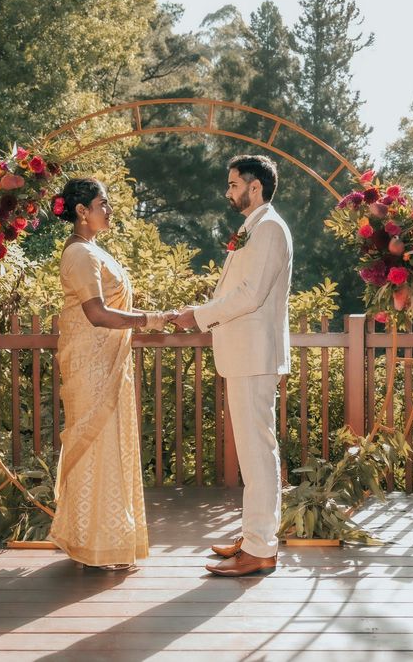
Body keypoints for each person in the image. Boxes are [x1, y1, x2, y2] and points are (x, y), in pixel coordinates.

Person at [172, 155, 292, 577]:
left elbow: (251, 294)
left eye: (233, 184)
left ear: (254, 186)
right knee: (254, 452)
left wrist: (199, 315)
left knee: (259, 453)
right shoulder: (255, 227)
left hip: (254, 355)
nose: (228, 192)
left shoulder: (270, 229)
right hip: (246, 354)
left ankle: (261, 548)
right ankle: (256, 535)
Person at [48, 177, 173, 571]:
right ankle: (92, 541)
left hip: (106, 359)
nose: (110, 209)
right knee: (95, 442)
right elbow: (96, 313)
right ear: (81, 211)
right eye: (103, 203)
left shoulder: (92, 250)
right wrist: (151, 319)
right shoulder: (81, 254)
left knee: (109, 442)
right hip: (91, 361)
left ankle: (105, 539)